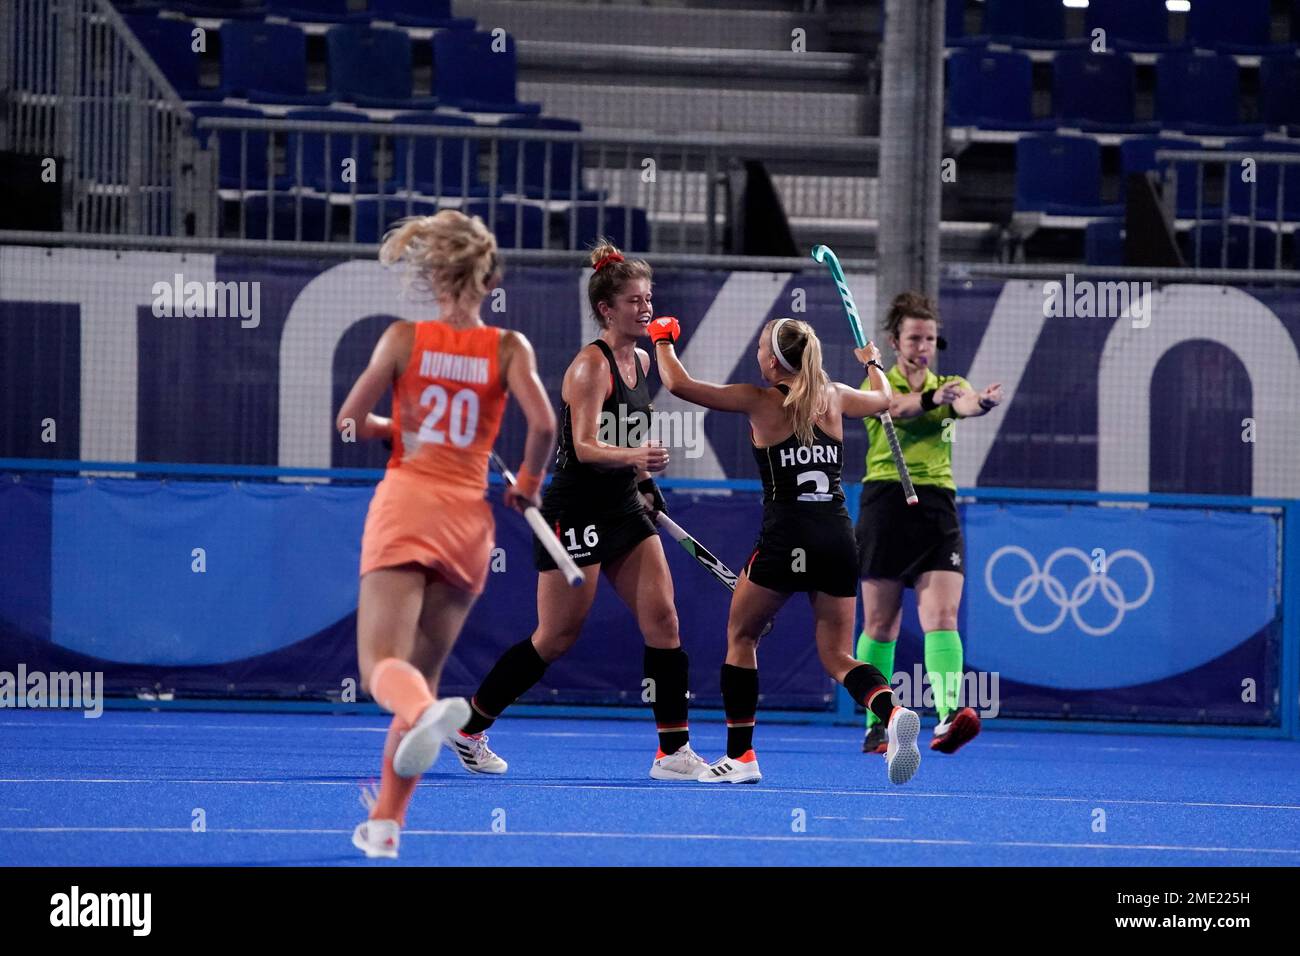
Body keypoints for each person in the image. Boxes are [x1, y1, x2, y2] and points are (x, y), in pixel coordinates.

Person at [337, 210, 556, 859]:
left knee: (382, 667)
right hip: (468, 520)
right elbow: (543, 425)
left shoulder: (404, 339)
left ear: (433, 272)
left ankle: (427, 724)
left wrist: (385, 428)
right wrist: (527, 482)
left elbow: (348, 422)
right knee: (417, 689)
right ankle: (385, 826)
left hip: (407, 501)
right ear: (489, 276)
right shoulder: (511, 347)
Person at [448, 241, 710, 782]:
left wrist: (642, 480)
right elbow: (586, 446)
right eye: (635, 300)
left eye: (649, 298)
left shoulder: (642, 361)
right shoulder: (589, 366)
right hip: (575, 509)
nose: (645, 307)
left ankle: (673, 753)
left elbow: (626, 436)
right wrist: (636, 457)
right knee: (556, 636)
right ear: (607, 309)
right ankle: (470, 727)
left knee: (664, 621)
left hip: (621, 505)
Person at [652, 313, 922, 785]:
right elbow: (885, 398)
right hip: (838, 535)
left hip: (786, 537)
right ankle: (892, 710)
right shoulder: (835, 395)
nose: (757, 353)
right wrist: (874, 362)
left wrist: (662, 339)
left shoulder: (758, 401)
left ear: (774, 362)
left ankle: (742, 757)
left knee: (742, 636)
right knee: (838, 657)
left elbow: (679, 385)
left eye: (761, 347)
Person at [854, 292, 1003, 756]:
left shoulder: (950, 383)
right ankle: (877, 724)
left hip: (936, 504)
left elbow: (962, 404)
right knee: (881, 623)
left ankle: (948, 718)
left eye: (930, 339)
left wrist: (979, 402)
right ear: (895, 343)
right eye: (915, 338)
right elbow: (895, 408)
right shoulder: (877, 383)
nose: (923, 346)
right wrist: (931, 398)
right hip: (886, 500)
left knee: (942, 615)